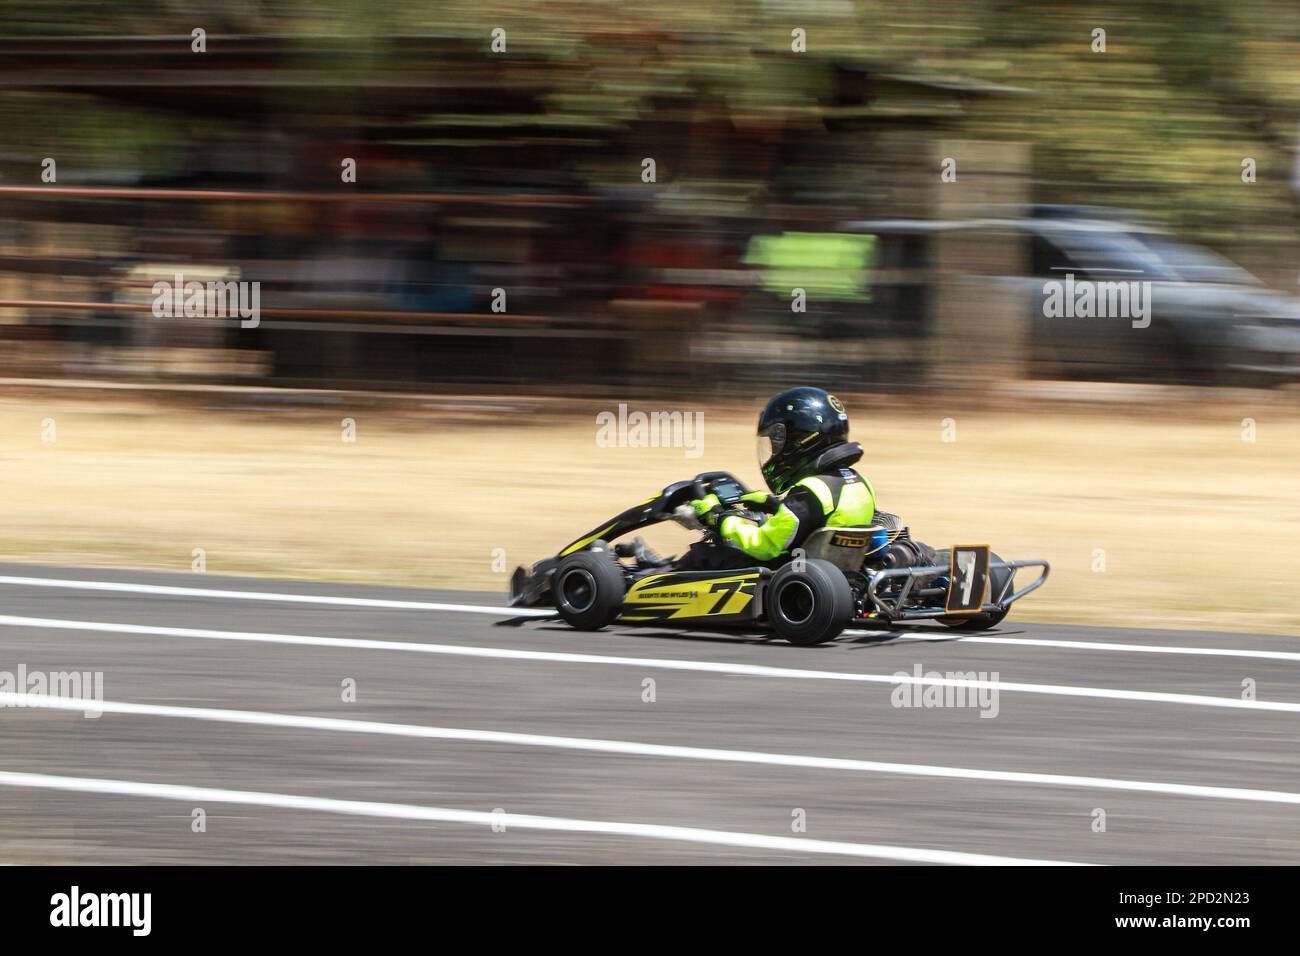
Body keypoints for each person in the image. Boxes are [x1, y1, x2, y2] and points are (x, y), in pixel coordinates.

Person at [689, 386, 876, 562]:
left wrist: (721, 519)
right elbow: (813, 519)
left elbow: (765, 545)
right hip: (834, 574)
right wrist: (776, 505)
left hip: (790, 576)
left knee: (701, 556)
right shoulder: (859, 483)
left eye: (777, 443)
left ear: (801, 440)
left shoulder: (811, 492)